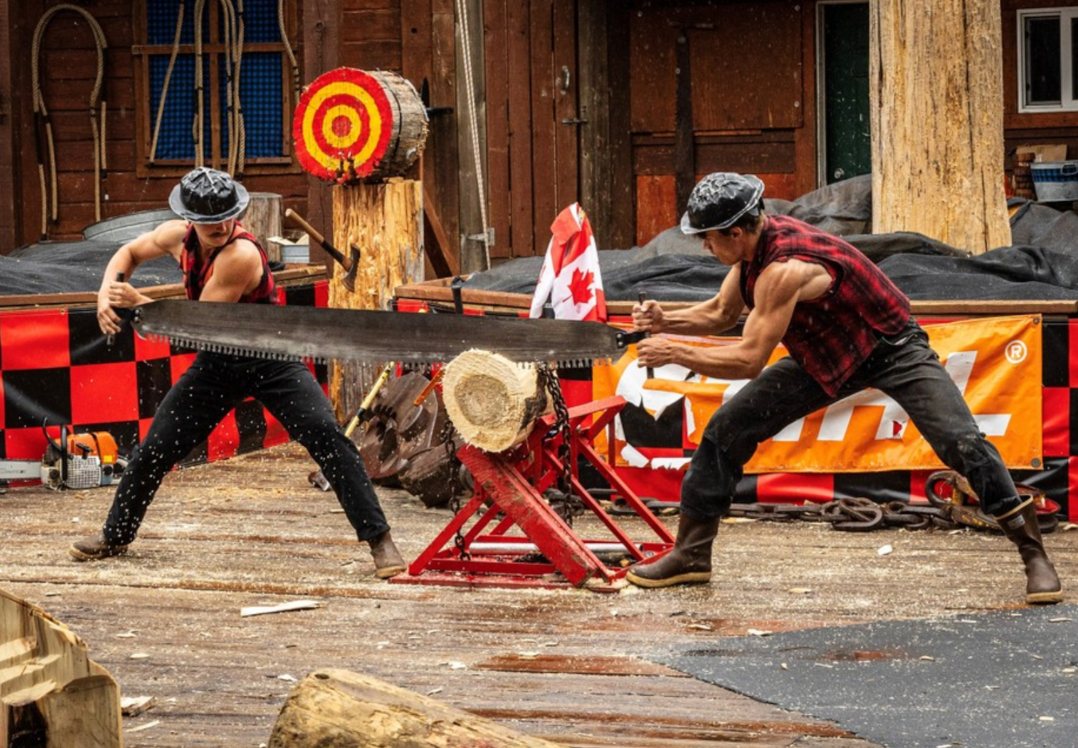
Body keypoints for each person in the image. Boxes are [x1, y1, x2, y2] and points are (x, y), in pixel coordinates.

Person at [625, 172, 1063, 605]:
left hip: (892, 349)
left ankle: (1034, 556)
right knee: (726, 430)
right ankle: (691, 555)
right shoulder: (750, 253)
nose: (704, 247)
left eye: (707, 238)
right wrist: (666, 320)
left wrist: (675, 351)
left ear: (736, 232)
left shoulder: (782, 270)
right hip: (827, 355)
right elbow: (722, 312)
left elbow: (748, 360)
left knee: (962, 443)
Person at [69, 167, 406, 579]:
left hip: (269, 358)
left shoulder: (240, 255)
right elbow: (128, 253)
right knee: (154, 449)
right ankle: (116, 534)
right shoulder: (175, 236)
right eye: (210, 221)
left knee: (327, 437)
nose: (222, 226)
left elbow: (200, 325)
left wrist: (137, 302)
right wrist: (106, 293)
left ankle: (380, 539)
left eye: (228, 216)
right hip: (218, 363)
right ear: (189, 219)